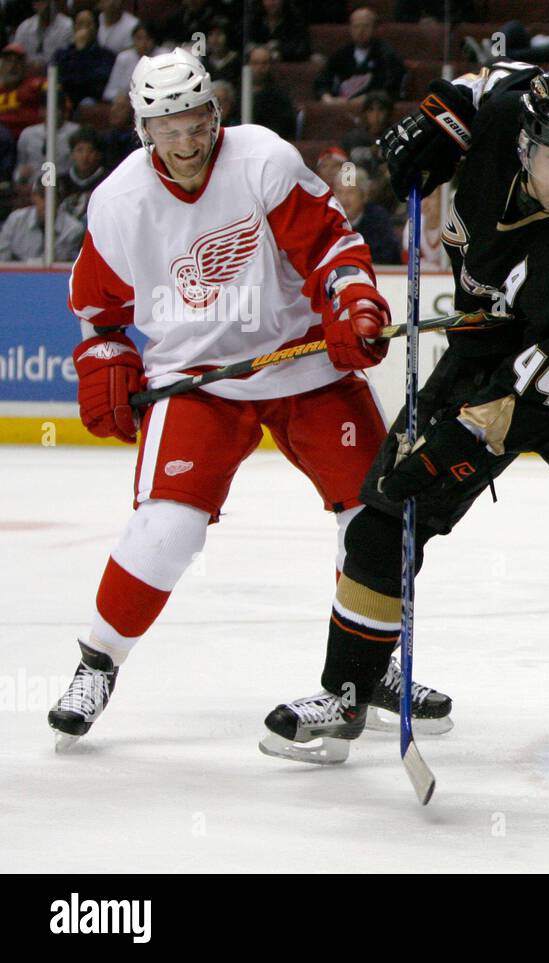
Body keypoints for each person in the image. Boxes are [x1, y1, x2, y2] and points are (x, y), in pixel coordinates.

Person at [265, 63, 549, 789]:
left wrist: (454, 442)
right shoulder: (508, 115)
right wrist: (442, 112)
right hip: (485, 352)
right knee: (381, 520)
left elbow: (548, 379)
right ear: (526, 142)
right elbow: (495, 77)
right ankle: (347, 693)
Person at [47, 48, 450, 750]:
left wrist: (351, 300)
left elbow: (330, 247)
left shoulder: (261, 159)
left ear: (216, 113)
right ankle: (98, 662)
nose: (185, 140)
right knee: (168, 530)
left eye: (195, 120)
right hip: (201, 380)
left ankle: (365, 665)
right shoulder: (118, 203)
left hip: (303, 363)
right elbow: (97, 310)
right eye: (167, 127)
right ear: (145, 130)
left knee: (378, 516)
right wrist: (106, 358)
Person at [315, 6, 404, 103]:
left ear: (375, 28)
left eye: (365, 26)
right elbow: (323, 80)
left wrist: (361, 100)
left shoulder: (386, 54)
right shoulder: (342, 53)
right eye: (356, 26)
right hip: (342, 105)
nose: (360, 31)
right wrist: (327, 97)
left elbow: (389, 88)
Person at [0, 171, 84, 260]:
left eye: (52, 196)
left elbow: (64, 265)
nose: (47, 202)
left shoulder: (73, 229)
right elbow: (2, 258)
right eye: (42, 196)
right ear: (33, 196)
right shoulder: (15, 220)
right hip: (16, 273)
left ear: (60, 200)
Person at [52, 9, 116, 106]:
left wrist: (81, 52)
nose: (84, 28)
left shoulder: (106, 56)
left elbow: (94, 86)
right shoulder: (61, 55)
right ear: (74, 28)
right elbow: (60, 80)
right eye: (80, 24)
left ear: (96, 28)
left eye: (88, 24)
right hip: (64, 100)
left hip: (89, 101)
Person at [247, 45, 297, 141]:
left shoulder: (280, 95)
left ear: (271, 65)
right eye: (255, 63)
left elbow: (284, 126)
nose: (259, 68)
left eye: (264, 63)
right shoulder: (240, 91)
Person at [12, 0, 73, 67]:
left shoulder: (68, 27)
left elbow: (66, 60)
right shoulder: (24, 27)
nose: (45, 6)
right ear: (34, 5)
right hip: (27, 74)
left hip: (55, 73)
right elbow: (15, 56)